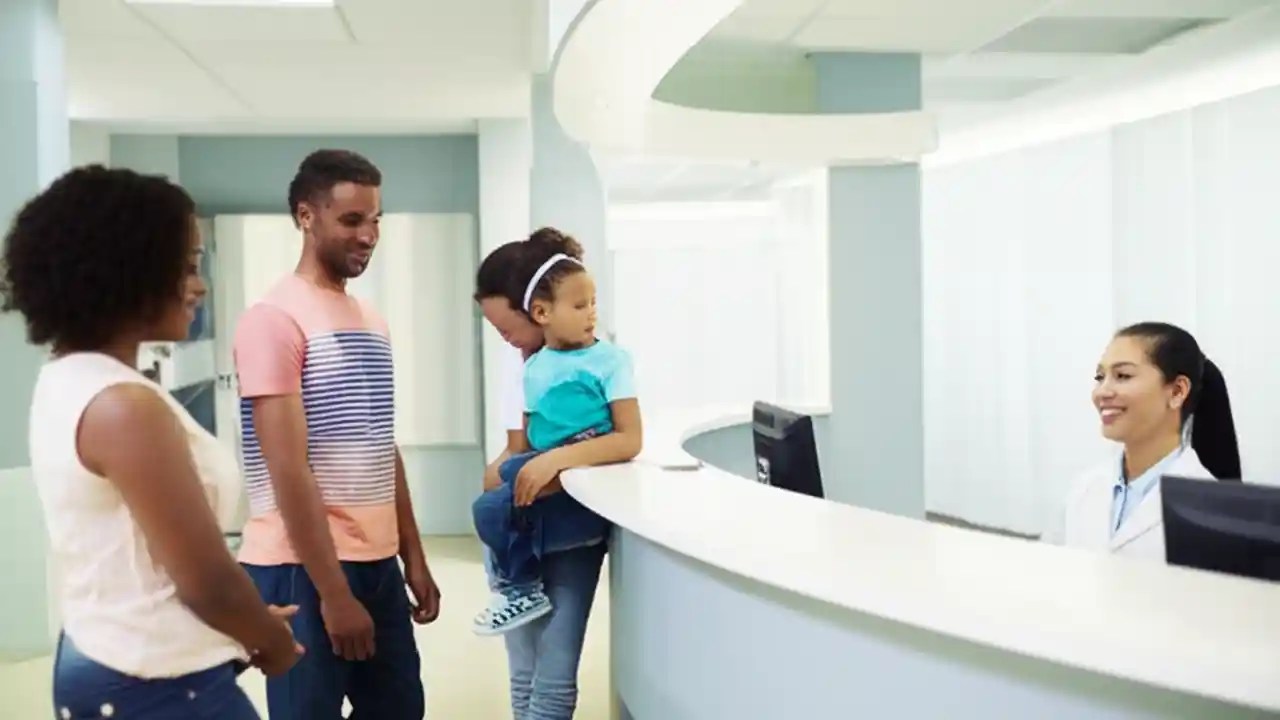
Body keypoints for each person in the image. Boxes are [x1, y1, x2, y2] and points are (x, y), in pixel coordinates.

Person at [2, 165, 301, 719]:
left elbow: (138, 558)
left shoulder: (68, 376)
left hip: (106, 653)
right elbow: (205, 580)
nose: (200, 285)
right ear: (127, 271)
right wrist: (268, 640)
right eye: (186, 266)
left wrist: (238, 628)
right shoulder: (124, 407)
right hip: (154, 684)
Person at [233, 149, 440, 719]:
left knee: (400, 710)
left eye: (376, 219)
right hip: (301, 568)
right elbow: (288, 468)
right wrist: (334, 594)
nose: (370, 234)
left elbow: (381, 444)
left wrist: (412, 556)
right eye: (352, 220)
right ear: (306, 215)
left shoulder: (369, 318)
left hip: (375, 561)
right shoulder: (273, 320)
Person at [473, 228, 627, 718]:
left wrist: (551, 461)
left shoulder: (597, 367)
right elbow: (513, 453)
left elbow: (620, 439)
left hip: (569, 537)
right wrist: (506, 472)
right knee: (523, 677)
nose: (509, 341)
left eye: (507, 329)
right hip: (521, 534)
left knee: (553, 682)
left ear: (540, 309)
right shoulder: (524, 372)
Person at [1044, 321, 1241, 560]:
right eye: (1100, 377)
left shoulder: (1213, 508)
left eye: (1123, 375)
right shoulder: (1084, 488)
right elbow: (1048, 577)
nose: (1101, 392)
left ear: (1177, 391)